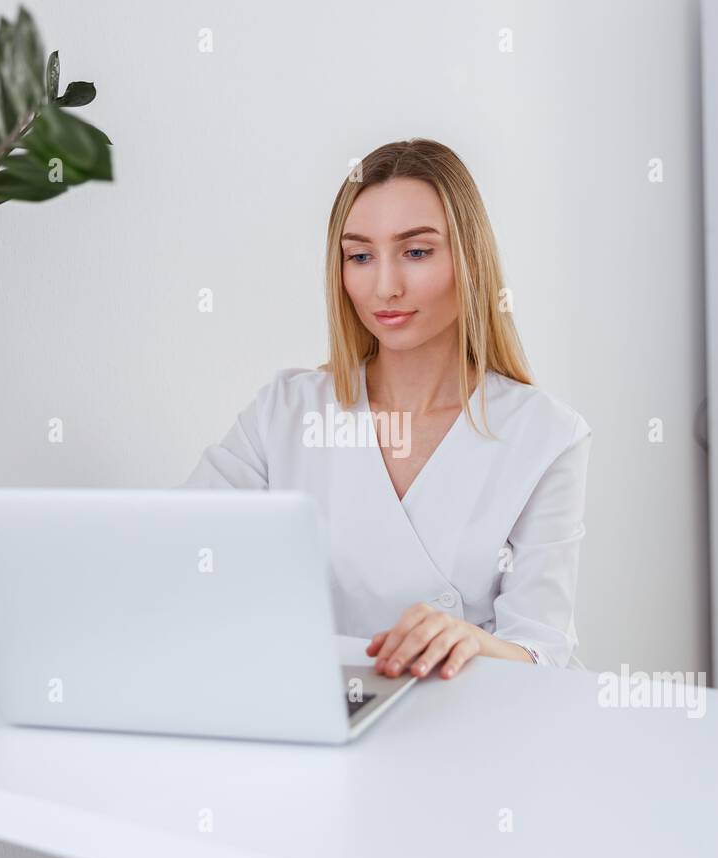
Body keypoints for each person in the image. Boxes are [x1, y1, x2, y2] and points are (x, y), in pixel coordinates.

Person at [183, 138, 592, 680]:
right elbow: (182, 555)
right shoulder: (284, 412)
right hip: (310, 709)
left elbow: (542, 650)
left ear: (469, 258)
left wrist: (467, 640)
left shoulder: (545, 434)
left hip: (473, 721)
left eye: (416, 252)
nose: (385, 286)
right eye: (360, 256)